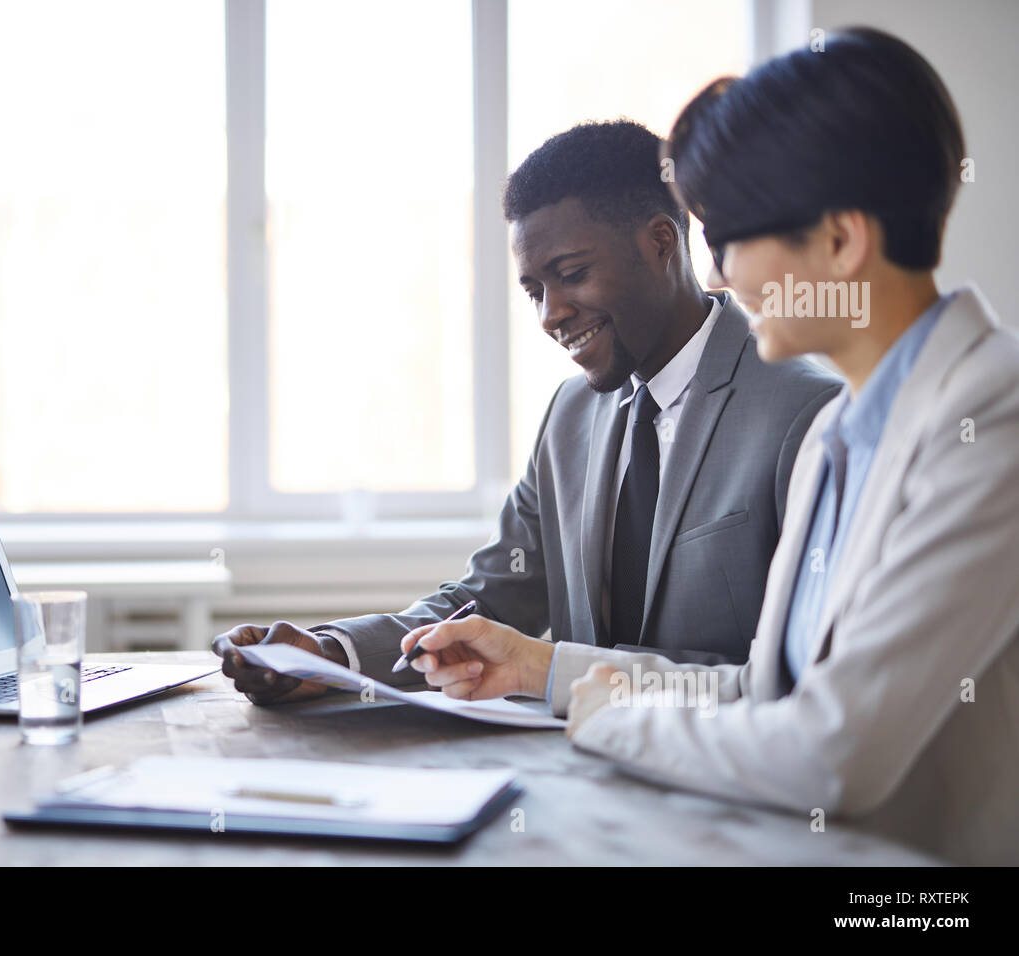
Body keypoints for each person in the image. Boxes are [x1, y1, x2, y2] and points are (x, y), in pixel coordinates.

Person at [419, 27, 1019, 864]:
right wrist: (553, 675)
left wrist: (617, 724)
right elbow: (758, 692)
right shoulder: (842, 435)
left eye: (730, 236)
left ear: (839, 243)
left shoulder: (994, 414)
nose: (719, 275)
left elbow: (833, 749)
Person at [213, 120, 838, 706]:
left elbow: (795, 686)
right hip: (573, 777)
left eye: (571, 275)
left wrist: (550, 669)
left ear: (660, 242)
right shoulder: (571, 414)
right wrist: (329, 657)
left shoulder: (805, 411)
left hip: (728, 795)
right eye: (535, 290)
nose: (550, 314)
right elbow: (491, 598)